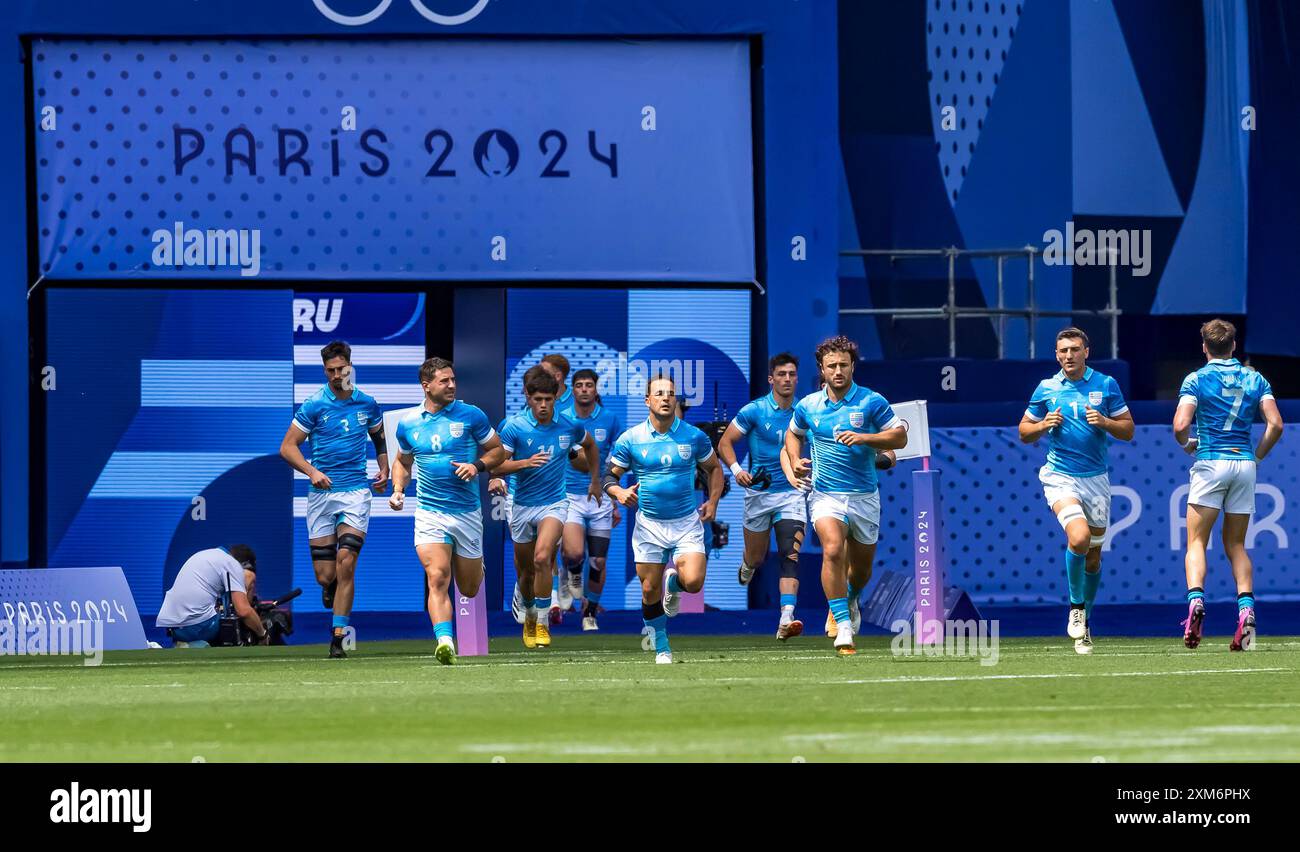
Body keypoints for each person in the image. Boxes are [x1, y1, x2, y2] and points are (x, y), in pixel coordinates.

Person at [784, 336, 906, 656]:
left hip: (865, 496)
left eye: (843, 365)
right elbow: (792, 434)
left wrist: (866, 437)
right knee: (833, 549)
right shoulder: (808, 405)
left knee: (862, 570)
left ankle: (851, 596)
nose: (838, 371)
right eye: (831, 366)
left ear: (853, 366)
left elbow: (900, 437)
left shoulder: (871, 402)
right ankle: (843, 625)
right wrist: (795, 460)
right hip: (826, 494)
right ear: (822, 370)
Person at [1019, 327, 1134, 655]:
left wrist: (1105, 422)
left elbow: (1128, 430)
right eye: (1062, 351)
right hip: (1060, 478)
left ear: (1086, 351)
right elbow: (1023, 431)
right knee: (1079, 538)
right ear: (1056, 355)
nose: (1068, 356)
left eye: (1074, 349)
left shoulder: (1106, 384)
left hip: (1096, 480)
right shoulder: (1047, 388)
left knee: (1094, 558)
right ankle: (1075, 607)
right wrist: (1042, 425)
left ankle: (1085, 624)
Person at [1174, 319, 1284, 651]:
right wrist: (1257, 457)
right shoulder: (1255, 378)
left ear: (1205, 346)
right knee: (1236, 545)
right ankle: (1246, 614)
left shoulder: (1196, 379)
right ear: (1234, 345)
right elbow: (1276, 424)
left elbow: (1180, 424)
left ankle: (1195, 604)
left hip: (1210, 461)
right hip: (1244, 464)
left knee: (1196, 541)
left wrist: (1186, 443)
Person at [390, 357, 504, 665]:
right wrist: (399, 491)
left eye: (453, 380)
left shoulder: (471, 415)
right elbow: (402, 461)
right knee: (437, 576)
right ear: (426, 386)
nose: (452, 385)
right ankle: (444, 641)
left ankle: (476, 567)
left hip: (466, 513)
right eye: (445, 381)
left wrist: (476, 466)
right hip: (430, 513)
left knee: (468, 587)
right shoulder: (409, 423)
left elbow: (498, 450)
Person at [279, 340, 389, 659]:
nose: (337, 375)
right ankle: (330, 588)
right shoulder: (314, 405)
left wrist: (383, 469)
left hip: (356, 493)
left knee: (347, 563)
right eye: (331, 370)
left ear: (350, 367)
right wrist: (311, 471)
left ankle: (338, 637)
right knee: (326, 575)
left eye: (342, 369)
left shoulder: (367, 403)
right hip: (322, 496)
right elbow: (287, 447)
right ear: (324, 370)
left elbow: (379, 438)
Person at [605, 376, 723, 664]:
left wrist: (713, 501)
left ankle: (675, 586)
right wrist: (618, 492)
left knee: (693, 582)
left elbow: (714, 469)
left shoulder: (694, 436)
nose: (666, 398)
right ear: (648, 401)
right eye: (659, 394)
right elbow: (609, 476)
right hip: (649, 525)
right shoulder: (631, 439)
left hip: (686, 523)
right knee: (648, 590)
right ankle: (662, 647)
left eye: (670, 393)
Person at [495, 366, 601, 648]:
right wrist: (523, 464)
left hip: (554, 503)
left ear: (556, 398)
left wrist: (594, 481)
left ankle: (541, 623)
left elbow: (590, 446)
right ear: (528, 398)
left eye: (549, 400)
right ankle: (529, 611)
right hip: (520, 504)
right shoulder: (514, 426)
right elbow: (497, 464)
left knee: (543, 558)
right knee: (526, 571)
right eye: (538, 399)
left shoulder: (569, 425)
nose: (543, 405)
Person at [717, 353, 808, 640]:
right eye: (781, 374)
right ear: (771, 379)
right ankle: (747, 564)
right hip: (758, 494)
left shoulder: (804, 412)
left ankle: (786, 617)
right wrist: (735, 469)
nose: (787, 379)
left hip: (792, 493)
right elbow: (724, 442)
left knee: (789, 554)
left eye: (792, 374)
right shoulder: (755, 410)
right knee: (756, 558)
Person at [559, 368, 623, 631]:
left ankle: (590, 612)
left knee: (598, 562)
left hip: (601, 499)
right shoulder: (561, 419)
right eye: (579, 385)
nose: (584, 389)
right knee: (573, 552)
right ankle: (572, 571)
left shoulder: (610, 420)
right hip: (569, 496)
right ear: (572, 390)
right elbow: (567, 461)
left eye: (589, 385)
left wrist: (615, 498)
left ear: (596, 390)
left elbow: (617, 463)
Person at [156, 545, 267, 647]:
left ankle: (187, 643)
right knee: (232, 623)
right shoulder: (233, 565)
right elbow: (243, 611)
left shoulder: (208, 555)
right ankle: (195, 646)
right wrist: (262, 634)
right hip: (199, 626)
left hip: (174, 628)